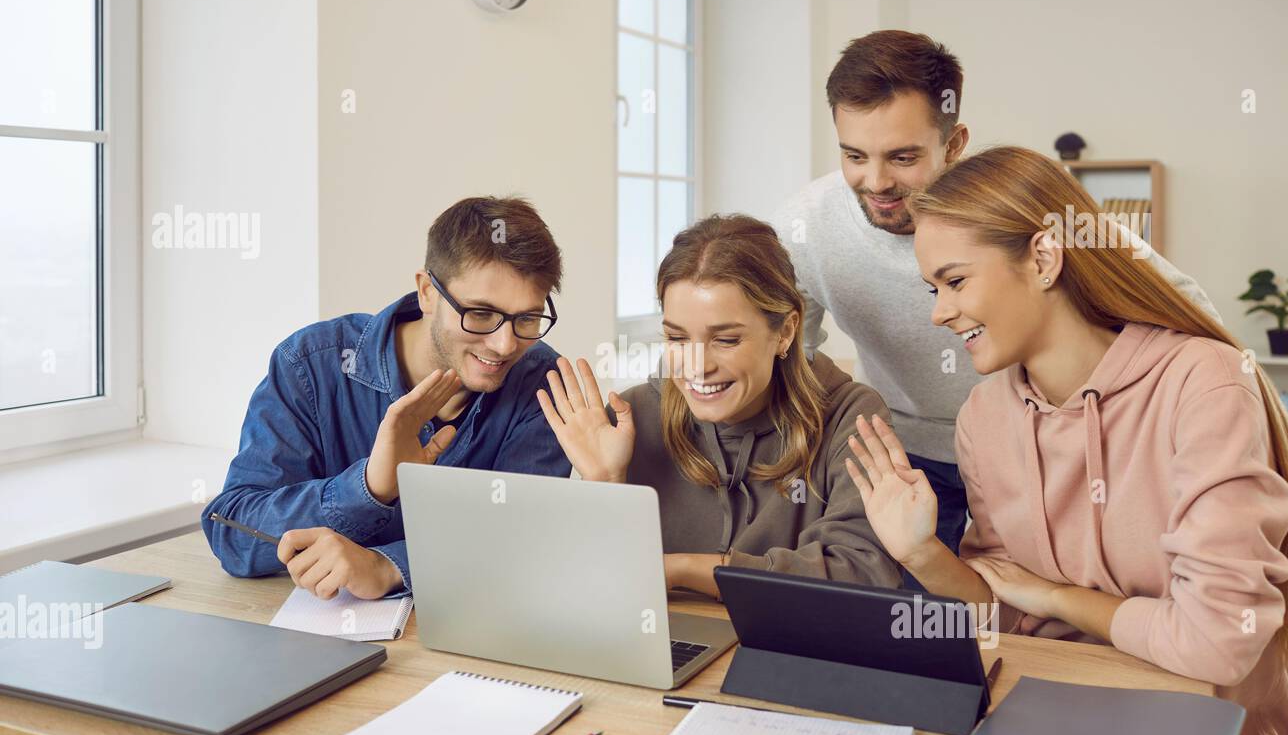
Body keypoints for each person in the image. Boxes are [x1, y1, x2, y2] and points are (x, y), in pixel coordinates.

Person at [846, 146, 1288, 735]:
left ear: (1043, 258)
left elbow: (1216, 642)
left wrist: (1055, 598)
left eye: (955, 281)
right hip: (1051, 732)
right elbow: (1001, 608)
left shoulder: (1203, 381)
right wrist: (920, 551)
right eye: (932, 289)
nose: (938, 313)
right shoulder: (984, 415)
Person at [772, 30, 1218, 562]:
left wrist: (1148, 424)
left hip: (1033, 446)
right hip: (907, 456)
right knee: (922, 625)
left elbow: (1175, 299)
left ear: (954, 144)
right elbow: (787, 350)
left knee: (1030, 618)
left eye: (903, 157)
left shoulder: (1015, 204)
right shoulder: (804, 226)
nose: (876, 181)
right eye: (854, 155)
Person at [202, 196, 571, 599]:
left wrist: (388, 567)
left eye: (527, 319)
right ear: (428, 292)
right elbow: (232, 530)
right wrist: (370, 486)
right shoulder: (312, 366)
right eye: (480, 314)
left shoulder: (543, 384)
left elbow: (520, 544)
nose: (504, 345)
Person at [536, 214, 903, 599]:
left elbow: (863, 574)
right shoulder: (628, 420)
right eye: (677, 338)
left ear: (786, 331)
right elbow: (587, 589)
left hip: (788, 651)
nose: (697, 366)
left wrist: (683, 569)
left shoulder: (850, 416)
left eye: (726, 340)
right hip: (668, 648)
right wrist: (607, 485)